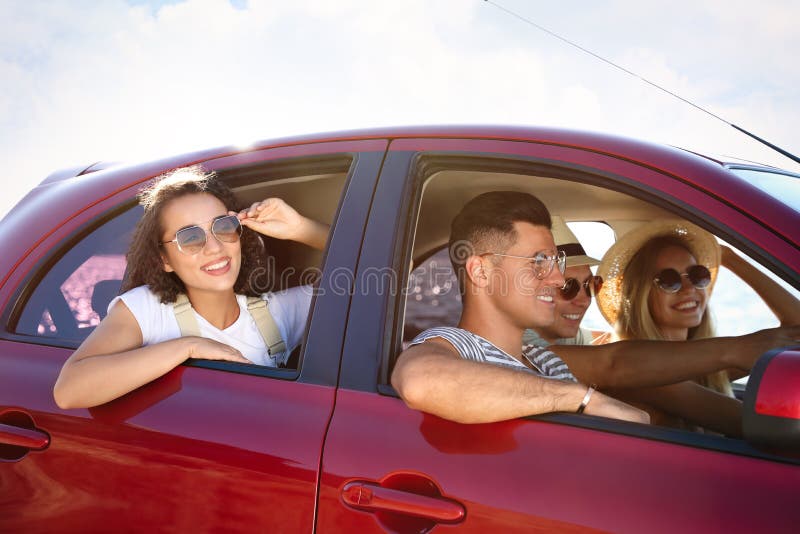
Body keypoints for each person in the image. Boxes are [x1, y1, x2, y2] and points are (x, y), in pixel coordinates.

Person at [391, 191, 800, 428]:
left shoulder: (537, 356)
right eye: (540, 263)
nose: (555, 279)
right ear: (480, 271)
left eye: (557, 265)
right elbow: (420, 380)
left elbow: (612, 360)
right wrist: (584, 399)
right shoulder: (459, 347)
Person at [53, 166, 328, 409]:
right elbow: (69, 390)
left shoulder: (275, 314)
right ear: (164, 259)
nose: (215, 247)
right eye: (191, 237)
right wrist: (188, 347)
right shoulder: (148, 309)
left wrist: (301, 228)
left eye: (223, 227)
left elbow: (367, 274)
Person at [595, 220, 800, 430]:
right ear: (640, 294)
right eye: (669, 280)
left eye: (698, 275)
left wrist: (729, 258)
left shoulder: (703, 366)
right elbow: (760, 426)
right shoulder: (642, 374)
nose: (688, 288)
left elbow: (796, 332)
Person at [521, 216, 605, 347]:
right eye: (568, 287)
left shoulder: (560, 333)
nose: (584, 301)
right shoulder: (520, 341)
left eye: (591, 285)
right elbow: (610, 362)